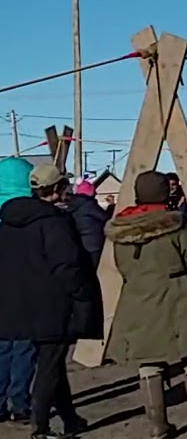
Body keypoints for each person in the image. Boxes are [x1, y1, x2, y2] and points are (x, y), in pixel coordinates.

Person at [105, 171, 187, 438]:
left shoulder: (122, 229)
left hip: (138, 297)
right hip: (178, 293)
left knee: (148, 361)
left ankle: (158, 426)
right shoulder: (175, 223)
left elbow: (121, 266)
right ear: (164, 192)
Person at [0, 161, 97, 439]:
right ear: (56, 189)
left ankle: (70, 419)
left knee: (53, 366)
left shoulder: (8, 221)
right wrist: (82, 295)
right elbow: (67, 265)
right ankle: (40, 429)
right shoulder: (54, 222)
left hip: (18, 304)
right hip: (52, 305)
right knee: (49, 367)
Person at [0, 158, 36, 427]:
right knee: (25, 347)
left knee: (1, 349)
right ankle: (20, 403)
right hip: (27, 289)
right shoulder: (34, 215)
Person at [63, 179, 109, 267]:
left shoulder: (71, 205)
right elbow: (105, 218)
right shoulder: (89, 205)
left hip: (79, 244)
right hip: (94, 245)